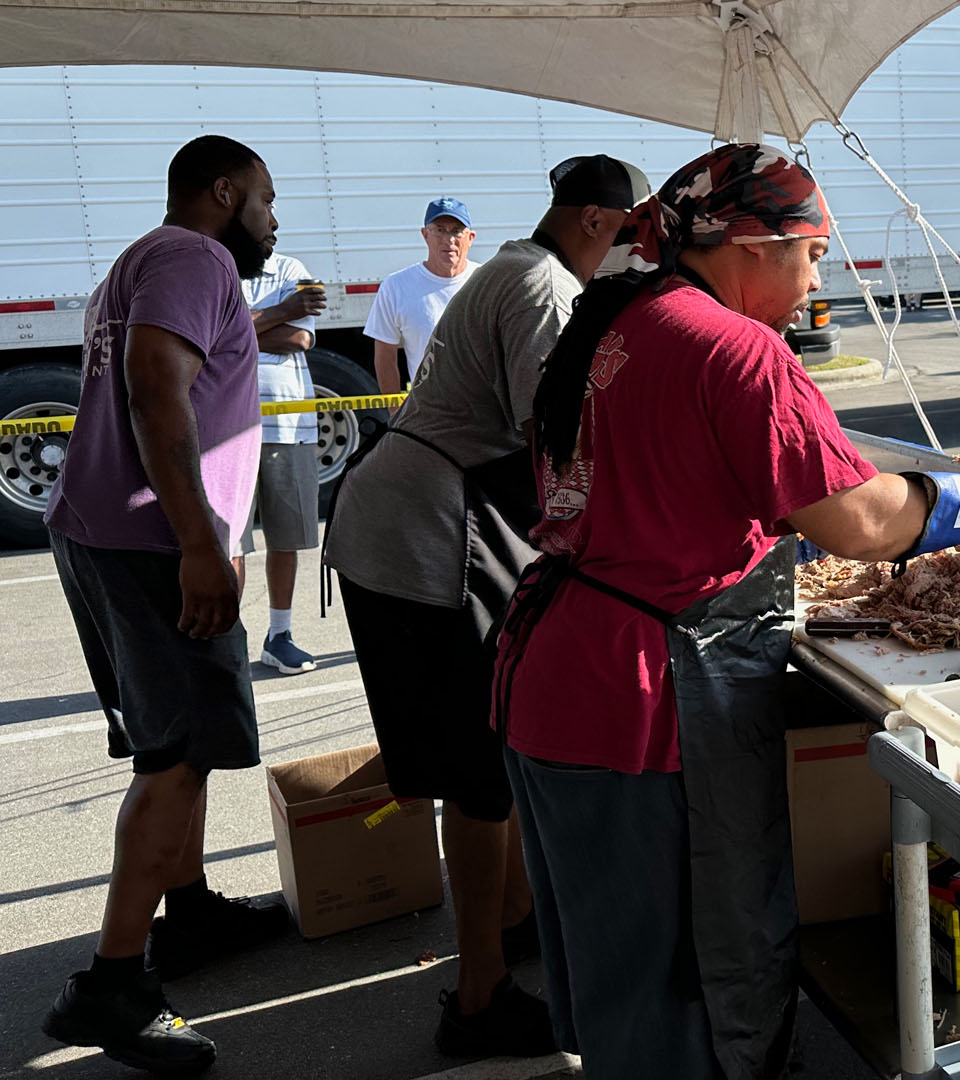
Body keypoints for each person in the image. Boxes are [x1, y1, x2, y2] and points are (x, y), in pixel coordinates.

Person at [489, 143, 960, 1078]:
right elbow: (861, 522)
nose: (818, 271)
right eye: (812, 249)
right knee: (688, 969)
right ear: (752, 243)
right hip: (645, 701)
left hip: (554, 674)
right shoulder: (734, 348)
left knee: (617, 956)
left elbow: (659, 480)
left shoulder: (622, 319)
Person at [324, 155, 647, 1058]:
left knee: (488, 749)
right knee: (475, 767)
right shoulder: (542, 287)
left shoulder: (512, 267)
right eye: (629, 237)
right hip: (424, 534)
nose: (633, 257)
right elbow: (551, 443)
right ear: (594, 221)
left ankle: (509, 920)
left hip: (406, 519)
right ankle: (478, 999)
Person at [39, 134, 289, 1075]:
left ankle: (188, 914)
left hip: (105, 527)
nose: (273, 219)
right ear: (224, 193)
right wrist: (197, 542)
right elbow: (154, 386)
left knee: (176, 741)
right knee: (178, 755)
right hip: (151, 541)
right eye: (265, 199)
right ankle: (112, 984)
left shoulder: (144, 257)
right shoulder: (196, 254)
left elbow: (175, 366)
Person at [239, 251, 327, 673]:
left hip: (288, 421)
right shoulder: (219, 269)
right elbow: (209, 334)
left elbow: (301, 339)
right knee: (228, 544)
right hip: (228, 425)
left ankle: (279, 635)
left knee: (286, 537)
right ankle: (227, 643)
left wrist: (243, 329)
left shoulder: (292, 270)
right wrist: (282, 312)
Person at [365, 196, 477, 394]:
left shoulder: (487, 281)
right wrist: (395, 413)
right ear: (425, 235)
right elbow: (385, 356)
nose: (449, 240)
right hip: (430, 412)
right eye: (440, 230)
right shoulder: (396, 286)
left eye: (457, 231)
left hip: (484, 412)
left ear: (470, 238)